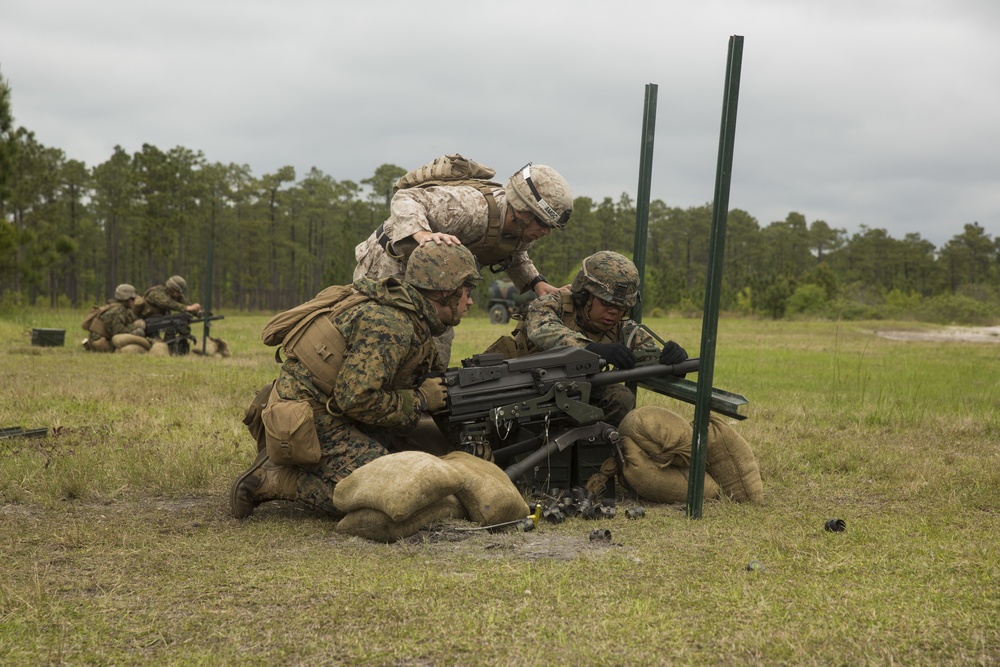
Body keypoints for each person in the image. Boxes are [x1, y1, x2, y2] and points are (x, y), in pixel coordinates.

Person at [230, 242, 481, 519]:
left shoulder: (415, 320)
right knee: (390, 492)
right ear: (446, 291)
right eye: (467, 291)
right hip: (315, 418)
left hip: (340, 412)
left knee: (427, 466)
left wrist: (465, 441)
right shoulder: (391, 323)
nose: (469, 301)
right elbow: (356, 399)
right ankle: (276, 479)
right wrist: (419, 400)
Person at [353, 159, 573, 365]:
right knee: (382, 340)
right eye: (543, 223)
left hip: (437, 283)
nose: (545, 232)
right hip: (390, 263)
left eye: (550, 227)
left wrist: (537, 283)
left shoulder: (520, 232)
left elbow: (515, 255)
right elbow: (406, 198)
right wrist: (421, 234)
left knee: (436, 350)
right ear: (522, 210)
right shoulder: (471, 207)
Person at [486, 250, 689, 426]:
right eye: (606, 303)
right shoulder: (552, 304)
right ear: (585, 295)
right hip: (523, 388)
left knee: (621, 398)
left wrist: (671, 360)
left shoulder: (623, 329)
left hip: (572, 395)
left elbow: (648, 355)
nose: (613, 312)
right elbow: (543, 331)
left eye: (621, 307)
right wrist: (592, 349)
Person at [82, 283, 147, 352]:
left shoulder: (115, 307)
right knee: (138, 334)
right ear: (127, 299)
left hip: (98, 340)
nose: (134, 301)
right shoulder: (118, 311)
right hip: (101, 342)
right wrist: (135, 325)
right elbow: (119, 332)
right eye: (133, 299)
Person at [135, 275, 202, 318]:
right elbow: (167, 303)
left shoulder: (175, 295)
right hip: (142, 321)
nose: (180, 294)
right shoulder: (156, 293)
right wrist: (187, 308)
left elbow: (186, 302)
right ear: (172, 289)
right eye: (178, 291)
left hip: (155, 321)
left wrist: (198, 312)